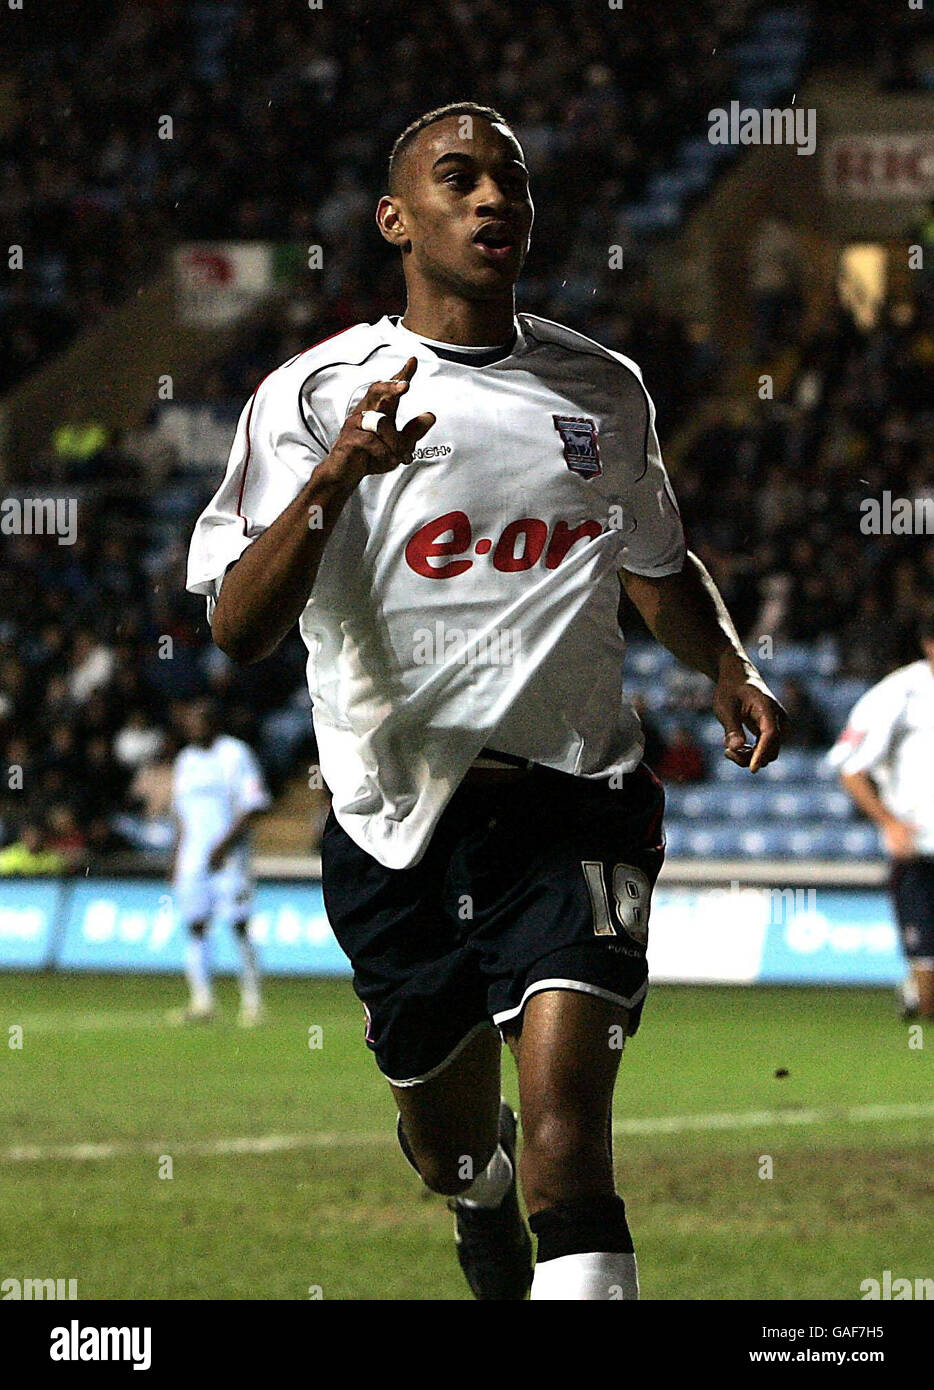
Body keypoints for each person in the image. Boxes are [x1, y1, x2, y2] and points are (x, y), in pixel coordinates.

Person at [187, 102, 785, 1301]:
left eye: (508, 181)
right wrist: (337, 476)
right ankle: (479, 1189)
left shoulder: (601, 391)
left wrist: (723, 664)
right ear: (395, 219)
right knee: (451, 1143)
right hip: (390, 821)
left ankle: (543, 1208)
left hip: (575, 802)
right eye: (456, 180)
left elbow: (656, 569)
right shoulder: (311, 396)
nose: (491, 200)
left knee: (574, 1138)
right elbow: (238, 626)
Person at [830, 615, 934, 1021]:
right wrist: (889, 823)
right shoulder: (900, 693)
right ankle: (917, 994)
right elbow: (851, 768)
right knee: (929, 1004)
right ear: (929, 644)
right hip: (920, 850)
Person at [170, 698, 271, 1025]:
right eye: (190, 721)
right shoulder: (185, 760)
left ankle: (253, 1003)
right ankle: (202, 1002)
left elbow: (253, 805)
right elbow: (181, 814)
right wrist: (178, 855)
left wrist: (222, 846)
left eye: (199, 720)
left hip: (229, 859)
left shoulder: (235, 753)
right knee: (196, 926)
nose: (192, 726)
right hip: (192, 860)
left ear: (214, 722)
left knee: (239, 925)